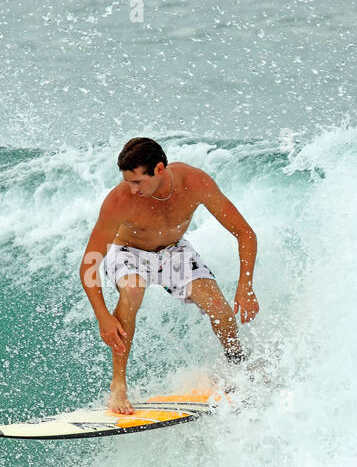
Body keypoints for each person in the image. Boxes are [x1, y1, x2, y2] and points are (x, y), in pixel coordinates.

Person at [79, 137, 259, 414]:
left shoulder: (195, 183)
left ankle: (237, 366)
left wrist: (245, 285)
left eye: (138, 182)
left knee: (221, 310)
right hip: (128, 252)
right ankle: (118, 387)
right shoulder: (119, 201)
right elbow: (90, 263)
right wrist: (103, 316)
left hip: (174, 252)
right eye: (128, 181)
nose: (132, 188)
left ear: (160, 169)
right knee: (132, 290)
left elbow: (245, 233)